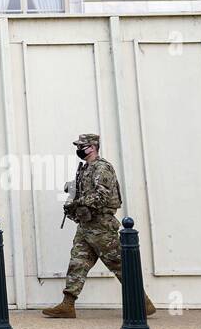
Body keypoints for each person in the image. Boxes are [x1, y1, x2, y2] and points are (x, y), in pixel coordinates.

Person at [43, 133, 155, 318]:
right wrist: (72, 188)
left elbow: (101, 196)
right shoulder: (86, 168)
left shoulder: (102, 168)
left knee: (119, 265)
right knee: (77, 263)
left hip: (102, 226)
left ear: (93, 147)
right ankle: (67, 305)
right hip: (87, 225)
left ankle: (143, 302)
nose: (79, 149)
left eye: (82, 146)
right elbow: (87, 189)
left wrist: (78, 202)